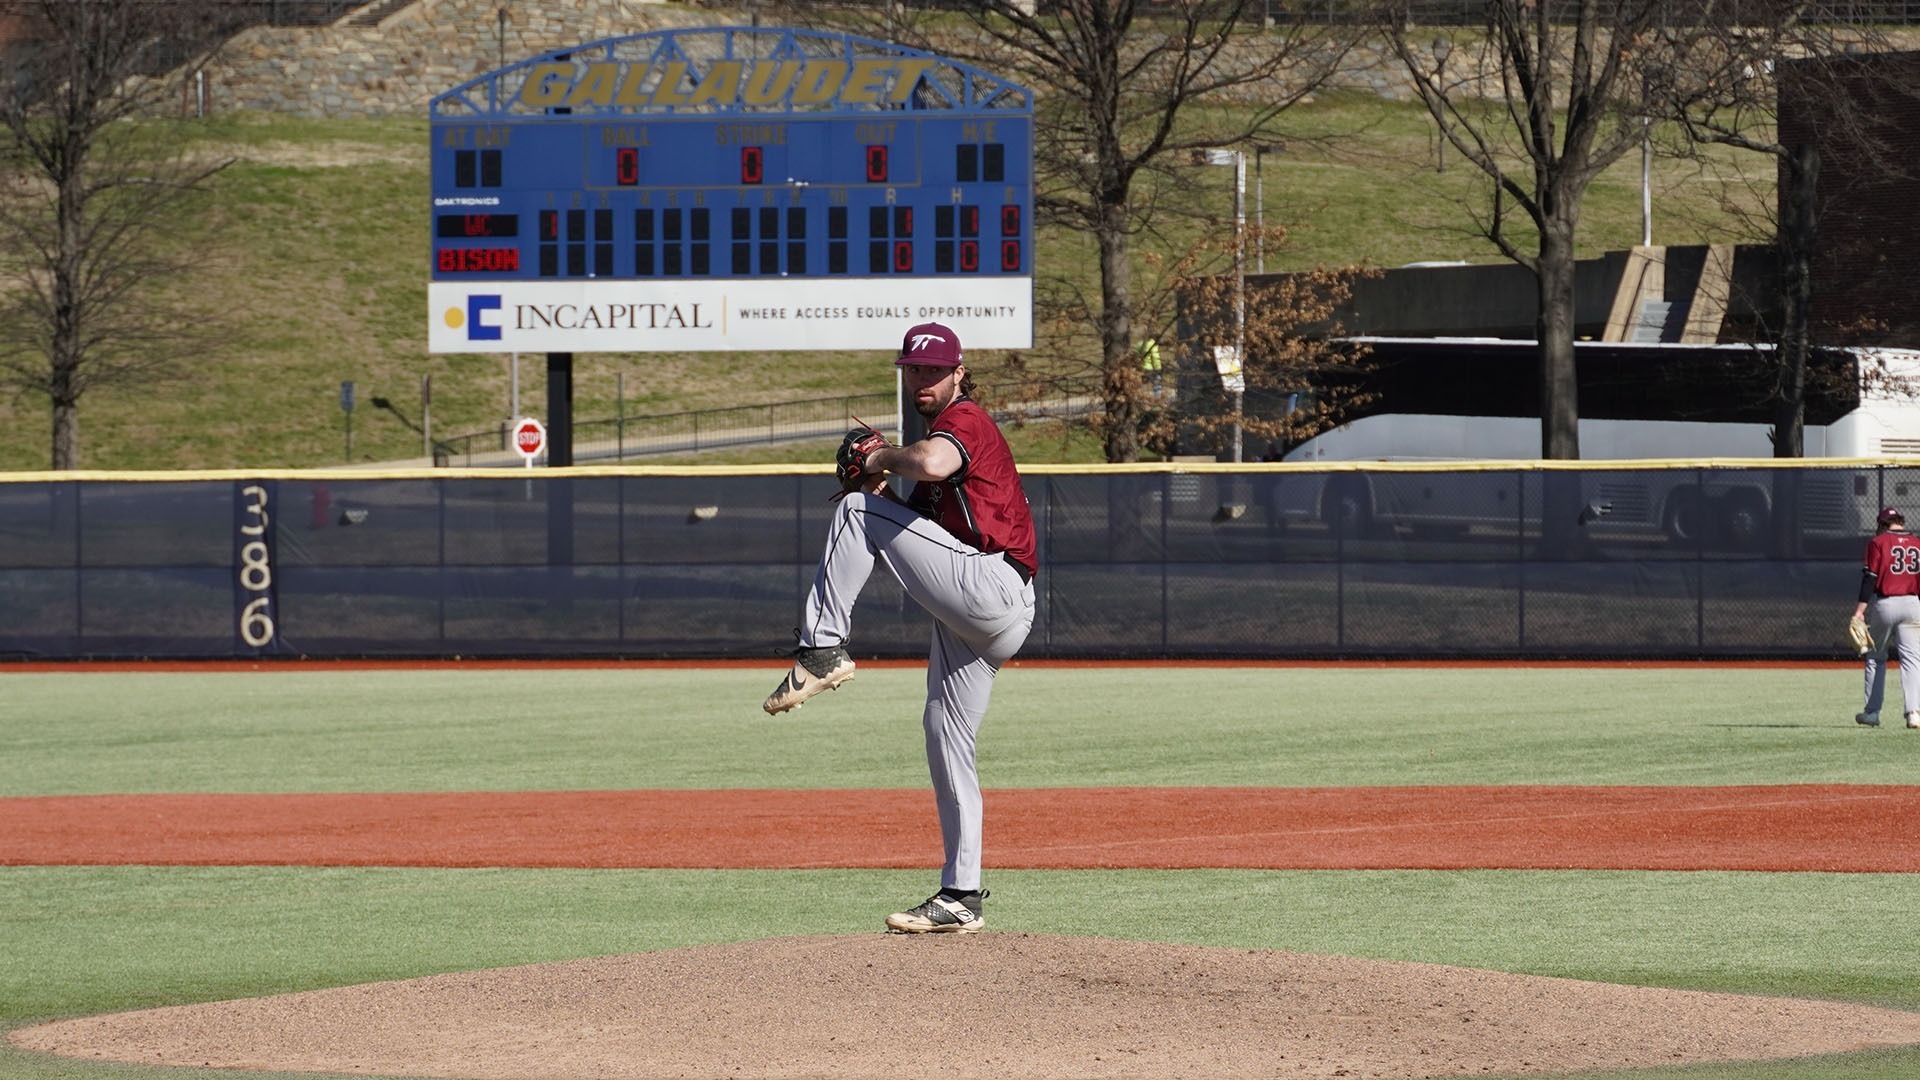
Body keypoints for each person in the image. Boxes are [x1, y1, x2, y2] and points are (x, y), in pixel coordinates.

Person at [763, 321, 1038, 934]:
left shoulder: (963, 420)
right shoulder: (933, 442)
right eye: (913, 369)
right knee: (945, 735)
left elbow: (936, 463)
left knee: (858, 514)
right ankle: (961, 895)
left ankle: (821, 650)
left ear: (959, 372)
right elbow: (906, 532)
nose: (922, 378)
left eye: (934, 369)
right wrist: (877, 484)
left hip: (991, 585)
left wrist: (878, 461)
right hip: (983, 612)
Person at [1853, 505, 1920, 728]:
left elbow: (1870, 578)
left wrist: (1860, 610)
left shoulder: (1878, 542)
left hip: (1886, 603)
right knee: (1912, 660)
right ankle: (1914, 712)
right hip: (1912, 603)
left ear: (1882, 524)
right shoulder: (1917, 543)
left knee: (1875, 656)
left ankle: (1872, 713)